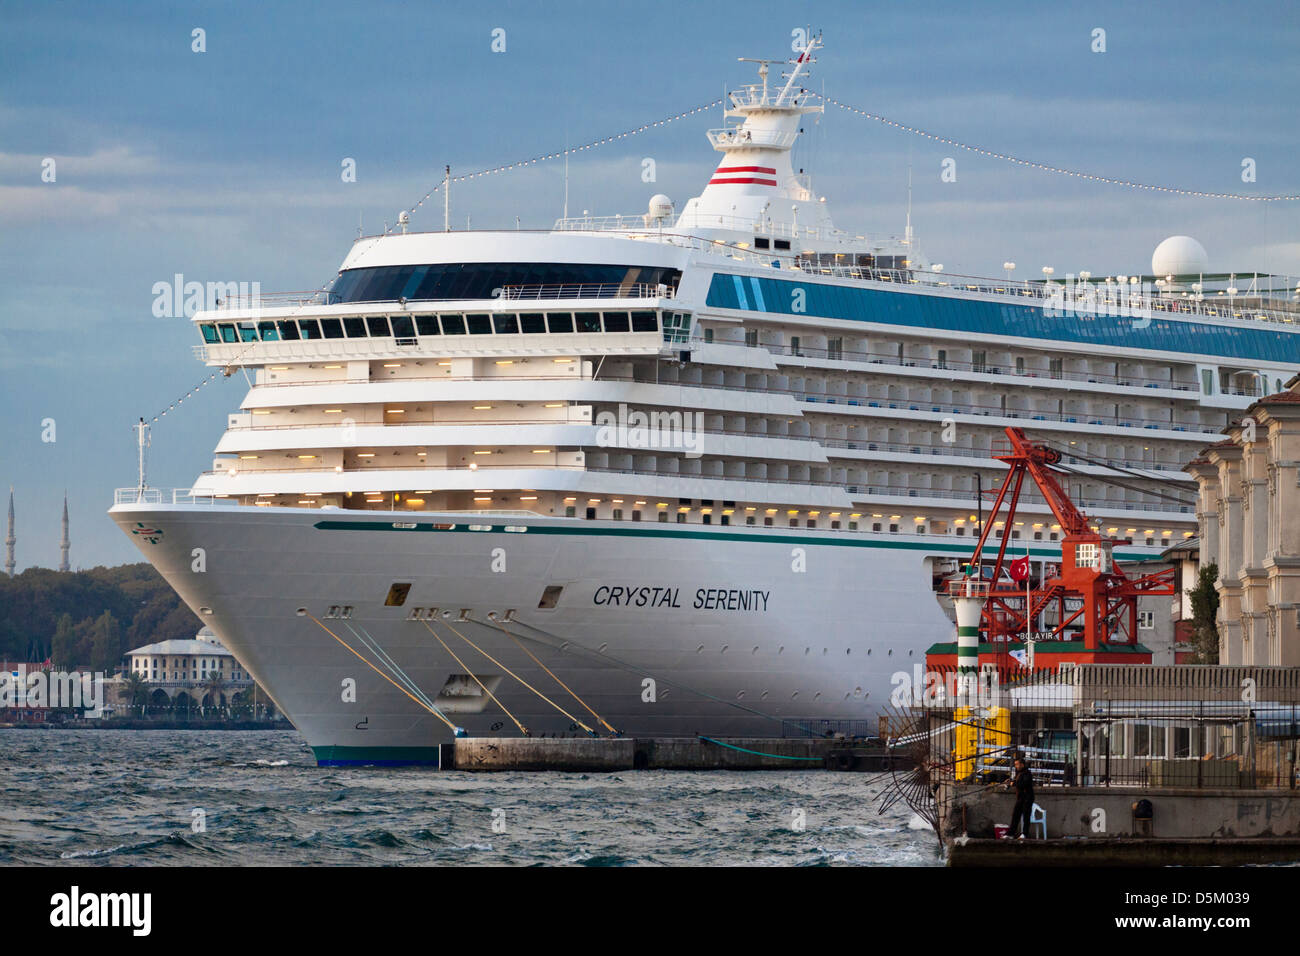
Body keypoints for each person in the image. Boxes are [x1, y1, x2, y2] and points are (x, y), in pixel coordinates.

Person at [1005, 755, 1035, 839]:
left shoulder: (1027, 773)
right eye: (1015, 764)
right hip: (1020, 798)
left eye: (1017, 764)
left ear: (1022, 764)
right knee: (1015, 816)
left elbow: (1024, 784)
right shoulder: (1019, 773)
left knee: (1026, 816)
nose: (1016, 766)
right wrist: (1011, 781)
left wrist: (1014, 784)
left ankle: (1025, 834)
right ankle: (1010, 834)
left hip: (1027, 798)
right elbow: (1017, 781)